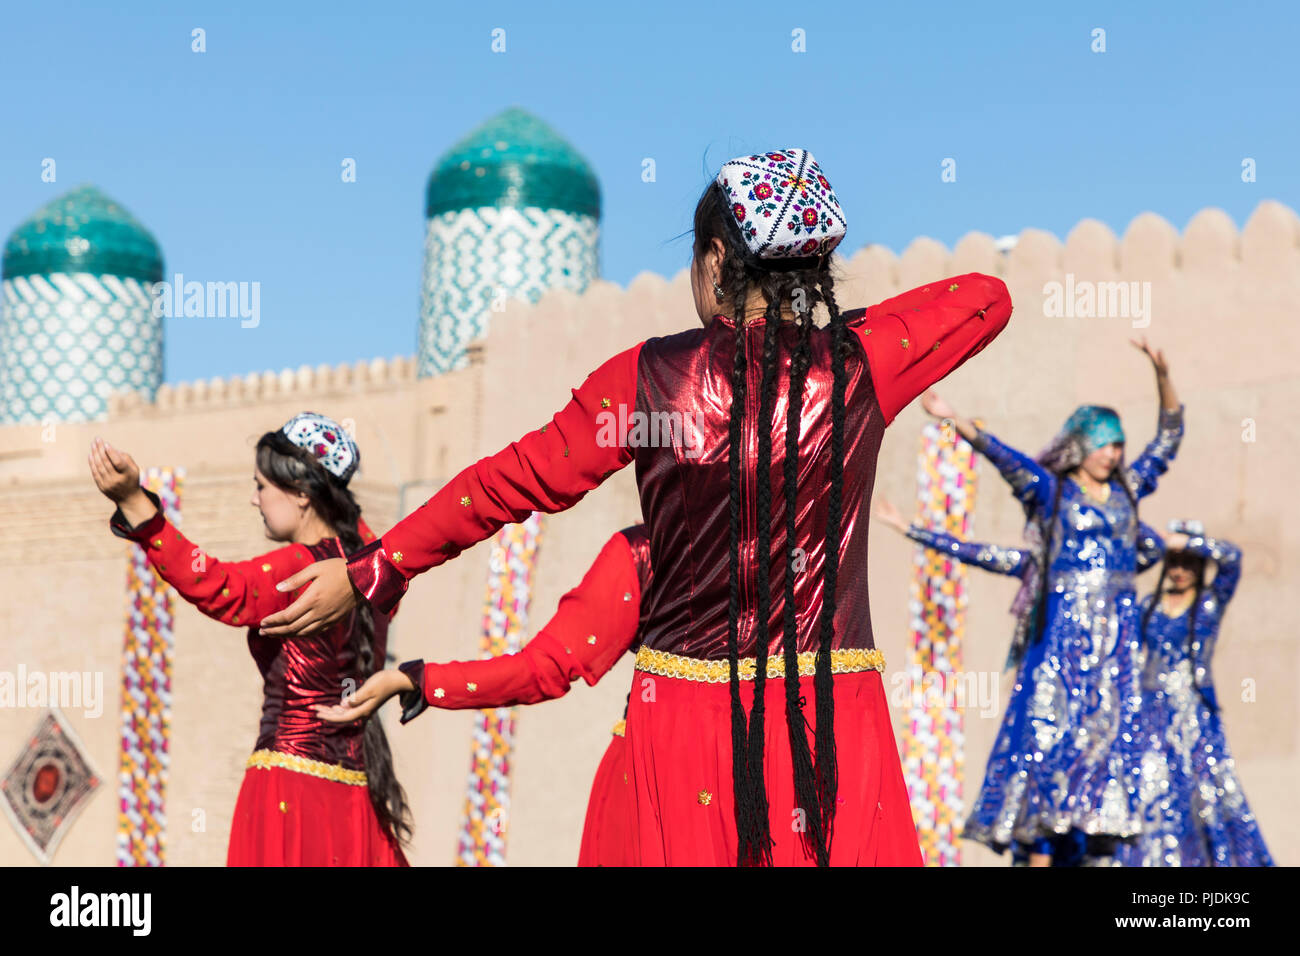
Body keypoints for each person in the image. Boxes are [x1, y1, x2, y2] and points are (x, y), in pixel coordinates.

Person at [260, 147, 1013, 866]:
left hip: (685, 719)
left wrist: (378, 566)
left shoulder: (648, 381)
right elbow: (986, 298)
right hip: (828, 715)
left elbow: (507, 483)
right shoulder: (858, 367)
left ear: (715, 260)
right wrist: (822, 329)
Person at [88, 413, 410, 866]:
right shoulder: (370, 572)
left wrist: (136, 504)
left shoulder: (298, 569)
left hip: (289, 790)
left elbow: (219, 586)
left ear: (301, 494)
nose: (254, 499)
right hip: (359, 793)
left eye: (261, 486)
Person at [921, 342, 1184, 866]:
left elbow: (1169, 439)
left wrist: (1162, 377)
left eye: (1119, 444)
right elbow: (1006, 460)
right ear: (1083, 444)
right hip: (1061, 645)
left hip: (1115, 647)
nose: (1114, 453)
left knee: (1109, 750)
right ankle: (1037, 849)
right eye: (1105, 443)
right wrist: (957, 422)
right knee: (1046, 744)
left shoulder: (1129, 492)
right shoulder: (1052, 493)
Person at [315, 524, 652, 866]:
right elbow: (543, 668)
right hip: (647, 776)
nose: (255, 501)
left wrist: (418, 680)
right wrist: (421, 680)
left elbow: (543, 668)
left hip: (655, 775)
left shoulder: (646, 551)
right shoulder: (647, 552)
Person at [1116, 521, 1274, 866]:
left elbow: (1232, 559)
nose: (1180, 570)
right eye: (1174, 561)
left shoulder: (1209, 604)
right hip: (1149, 716)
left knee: (1203, 794)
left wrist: (1189, 541)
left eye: (1189, 562)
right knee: (1150, 792)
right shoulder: (1148, 606)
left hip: (1194, 719)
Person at [874, 498, 1167, 671]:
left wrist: (1111, 507)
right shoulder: (1035, 566)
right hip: (1046, 667)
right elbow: (971, 552)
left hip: (1102, 667)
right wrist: (907, 529)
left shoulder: (1107, 570)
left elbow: (1152, 549)